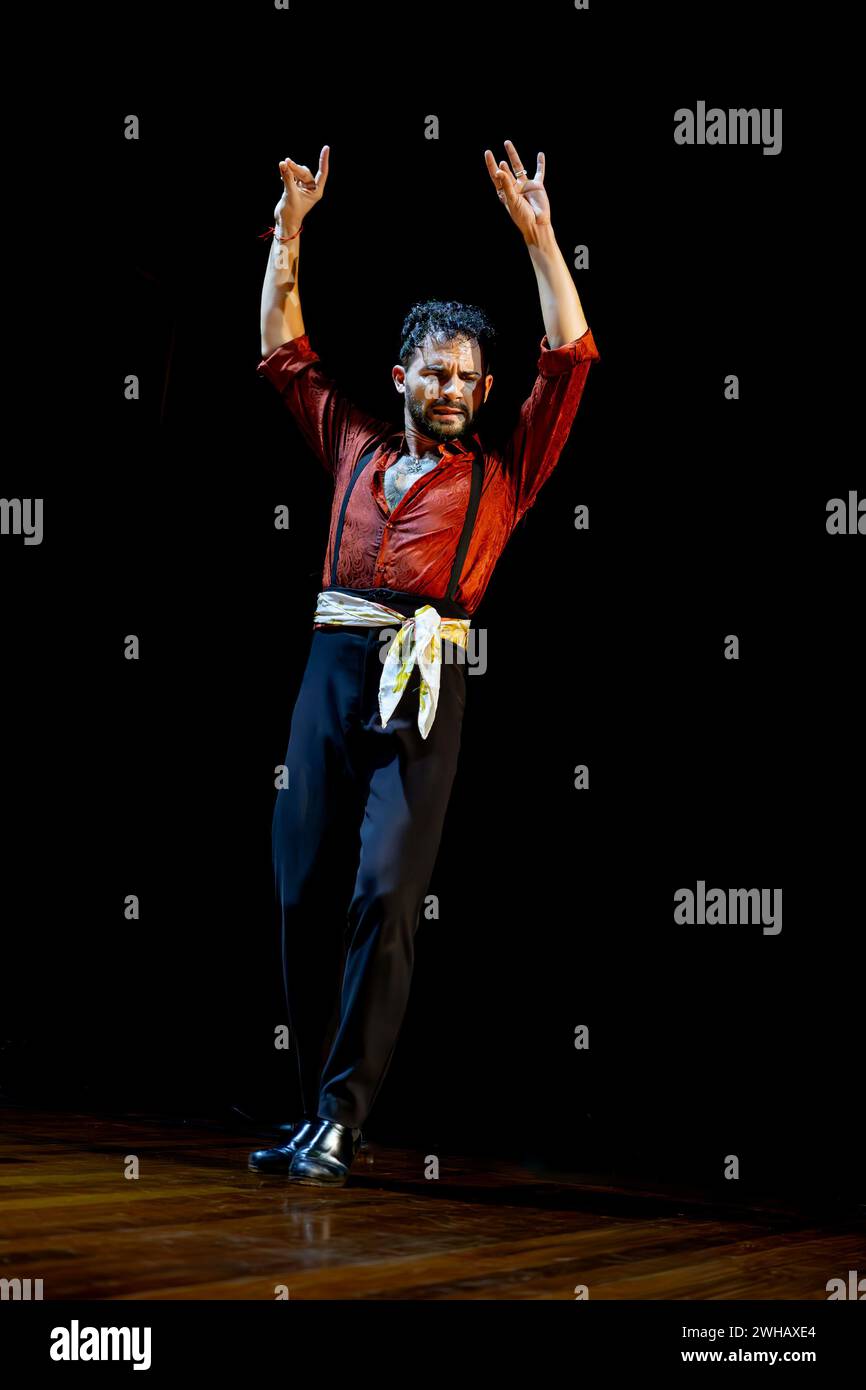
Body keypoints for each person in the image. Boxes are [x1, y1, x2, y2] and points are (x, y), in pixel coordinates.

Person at [249, 139, 600, 1185]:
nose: (450, 386)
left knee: (386, 894)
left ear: (484, 389)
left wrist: (537, 234)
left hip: (428, 678)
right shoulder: (354, 443)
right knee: (299, 882)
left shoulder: (504, 472)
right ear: (401, 375)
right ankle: (313, 1107)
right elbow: (282, 349)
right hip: (331, 662)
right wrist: (289, 230)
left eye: (466, 376)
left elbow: (571, 355)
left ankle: (346, 1120)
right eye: (434, 371)